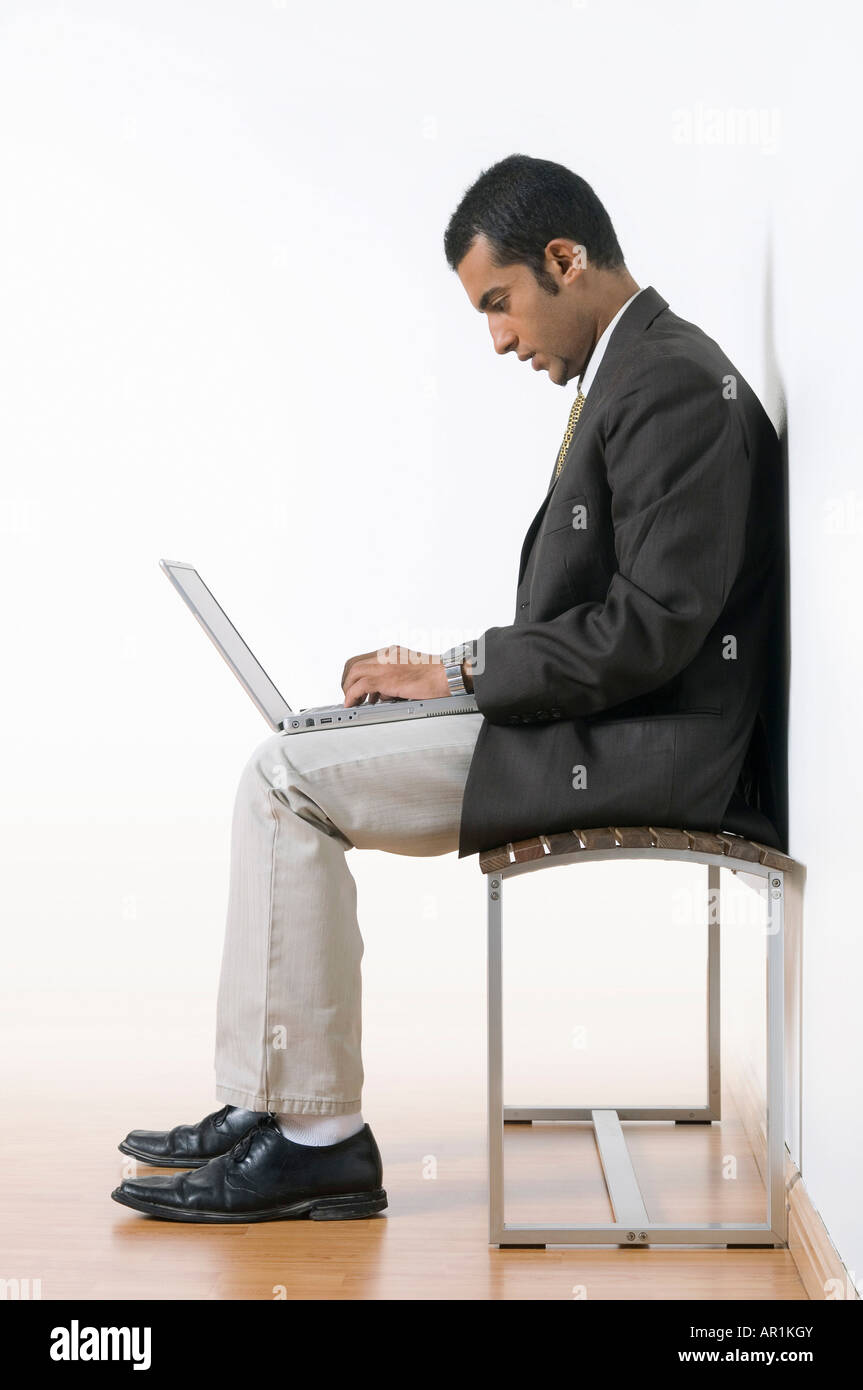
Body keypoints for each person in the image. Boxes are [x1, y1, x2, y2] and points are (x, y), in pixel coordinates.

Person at [112, 153, 785, 1223]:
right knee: (290, 759)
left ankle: (318, 1140)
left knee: (288, 777)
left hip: (645, 743)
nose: (500, 338)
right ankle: (276, 1102)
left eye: (500, 304)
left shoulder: (666, 383)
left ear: (563, 260)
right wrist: (451, 681)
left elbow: (650, 632)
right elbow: (616, 621)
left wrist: (460, 670)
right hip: (594, 716)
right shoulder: (641, 367)